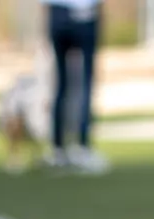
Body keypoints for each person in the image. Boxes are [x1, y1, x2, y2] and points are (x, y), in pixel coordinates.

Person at [45, 0, 108, 173]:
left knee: (61, 84)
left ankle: (57, 149)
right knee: (86, 83)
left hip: (57, 14)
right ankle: (82, 148)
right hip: (84, 14)